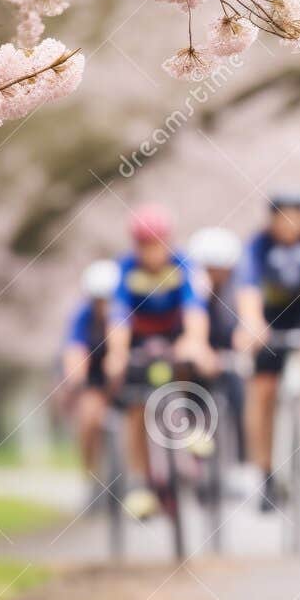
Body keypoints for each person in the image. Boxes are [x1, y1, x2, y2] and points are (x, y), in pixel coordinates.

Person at [103, 204, 214, 519]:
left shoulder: (184, 265)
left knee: (192, 365)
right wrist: (117, 354)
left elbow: (195, 309)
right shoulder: (125, 268)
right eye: (145, 245)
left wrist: (195, 342)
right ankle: (139, 482)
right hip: (140, 342)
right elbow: (118, 316)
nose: (152, 252)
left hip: (177, 335)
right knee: (137, 403)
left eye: (157, 243)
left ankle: (194, 428)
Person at [235, 190, 300, 512]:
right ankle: (265, 473)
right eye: (283, 216)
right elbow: (248, 289)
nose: (290, 223)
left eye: (297, 215)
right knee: (262, 392)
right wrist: (252, 324)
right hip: (269, 322)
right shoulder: (257, 246)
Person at [188, 226, 247, 497]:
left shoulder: (238, 291)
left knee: (239, 395)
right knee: (190, 396)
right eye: (210, 268)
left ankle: (241, 465)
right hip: (197, 356)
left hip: (227, 357)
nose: (216, 274)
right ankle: (194, 463)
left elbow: (244, 325)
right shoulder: (192, 293)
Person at [60, 259, 121, 499]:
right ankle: (90, 477)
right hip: (94, 377)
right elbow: (74, 350)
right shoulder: (81, 317)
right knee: (88, 420)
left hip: (125, 373)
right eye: (99, 300)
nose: (104, 306)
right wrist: (75, 377)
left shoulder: (130, 311)